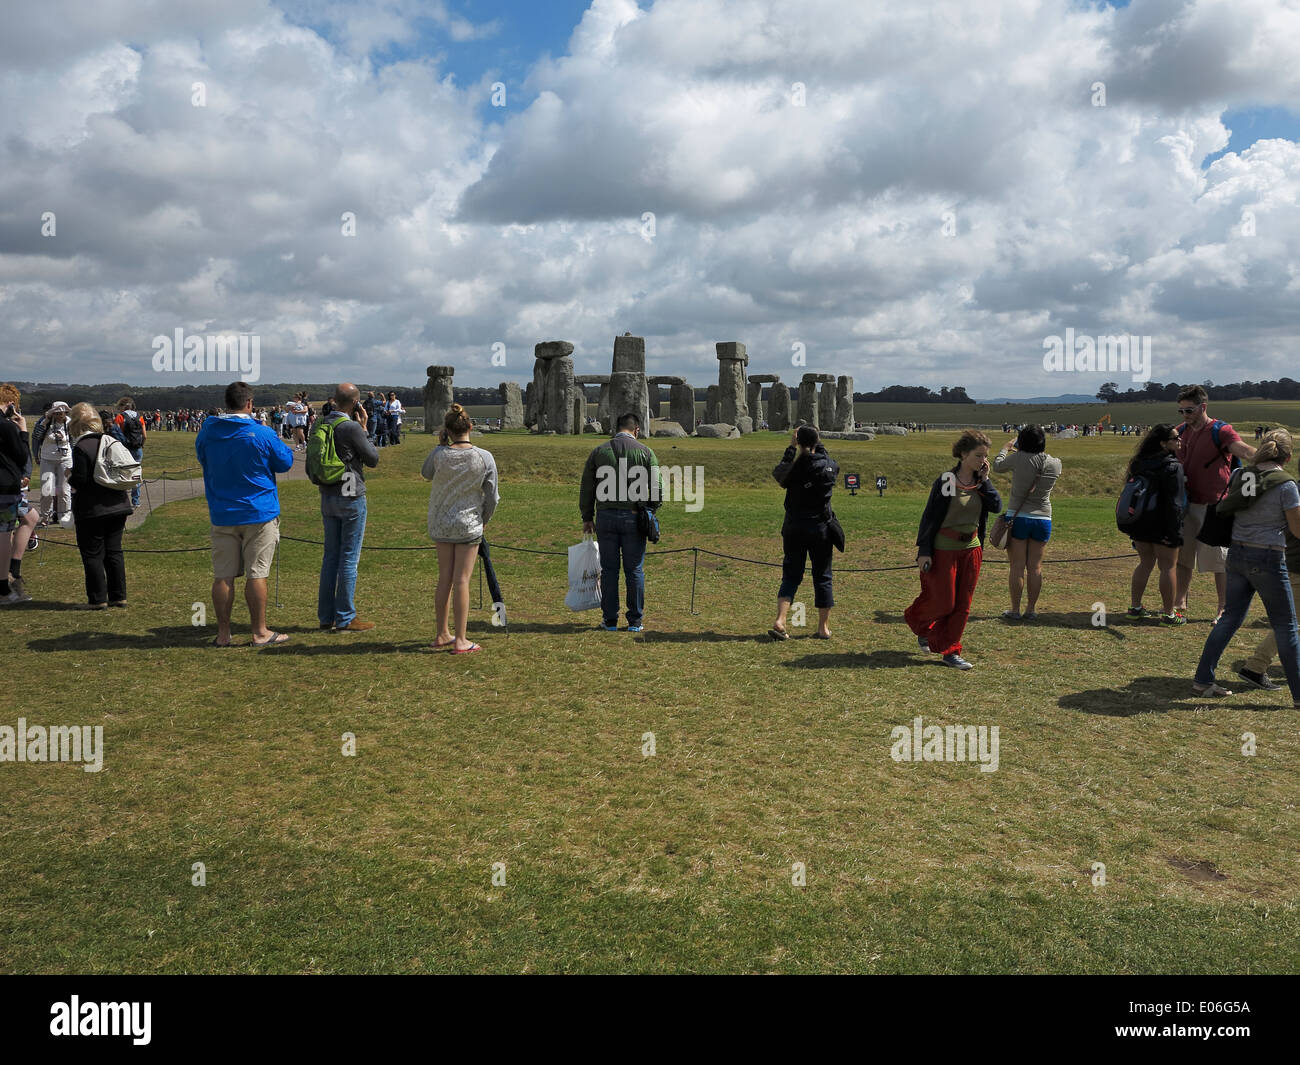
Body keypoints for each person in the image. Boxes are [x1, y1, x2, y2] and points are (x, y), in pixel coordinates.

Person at [1192, 430, 1300, 705]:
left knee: (1229, 618)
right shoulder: (1286, 485)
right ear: (1287, 457)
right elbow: (1297, 529)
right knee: (1286, 625)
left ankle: (1203, 679)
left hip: (1237, 554)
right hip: (1268, 558)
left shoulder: (1241, 476)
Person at [195, 381, 294, 647]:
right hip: (258, 512)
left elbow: (202, 458)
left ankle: (223, 633)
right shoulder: (261, 433)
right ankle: (259, 631)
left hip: (223, 512)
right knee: (257, 573)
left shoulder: (207, 432)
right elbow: (285, 462)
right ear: (249, 404)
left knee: (223, 575)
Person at [905, 429, 1002, 670]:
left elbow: (996, 505)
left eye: (985, 456)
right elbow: (932, 516)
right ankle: (919, 623)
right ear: (963, 454)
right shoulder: (948, 481)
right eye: (979, 456)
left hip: (972, 549)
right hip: (943, 549)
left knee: (963, 605)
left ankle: (951, 650)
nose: (984, 461)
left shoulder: (981, 483)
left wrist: (986, 480)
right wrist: (924, 550)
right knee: (943, 602)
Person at [422, 403, 499, 653]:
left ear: (447, 430)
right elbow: (492, 496)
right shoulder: (483, 456)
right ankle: (462, 639)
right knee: (462, 580)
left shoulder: (439, 455)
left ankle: (442, 633)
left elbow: (426, 473)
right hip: (469, 523)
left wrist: (439, 445)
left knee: (444, 578)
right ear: (470, 427)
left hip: (441, 521)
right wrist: (484, 519)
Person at [1174, 385, 1255, 620]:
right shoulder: (1180, 432)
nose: (1185, 416)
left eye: (1189, 411)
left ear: (1203, 407)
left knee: (1220, 562)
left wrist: (1265, 457)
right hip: (1186, 506)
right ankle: (1180, 603)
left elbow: (1242, 449)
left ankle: (1223, 607)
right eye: (1181, 411)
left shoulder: (1221, 430)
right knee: (1184, 557)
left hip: (1216, 507)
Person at [579, 412, 660, 633]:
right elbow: (657, 489)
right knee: (634, 570)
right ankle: (635, 621)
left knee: (609, 570)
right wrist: (649, 511)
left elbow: (587, 486)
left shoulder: (599, 452)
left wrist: (587, 517)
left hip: (605, 517)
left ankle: (610, 620)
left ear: (617, 428)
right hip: (634, 517)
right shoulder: (645, 452)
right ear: (637, 430)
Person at [314, 383, 380, 633]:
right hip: (351, 493)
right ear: (355, 404)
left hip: (327, 492)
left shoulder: (320, 424)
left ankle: (325, 616)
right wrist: (364, 428)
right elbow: (373, 458)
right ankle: (344, 617)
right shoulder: (351, 427)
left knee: (330, 556)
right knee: (349, 558)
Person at [769, 425, 838, 640]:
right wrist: (816, 440)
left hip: (795, 527)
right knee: (823, 576)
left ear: (798, 443)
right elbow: (829, 460)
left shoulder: (794, 469)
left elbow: (780, 471)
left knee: (791, 574)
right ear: (817, 442)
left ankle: (780, 620)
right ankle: (823, 628)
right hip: (821, 528)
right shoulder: (829, 467)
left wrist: (791, 448)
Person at [66, 403, 132, 609]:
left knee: (93, 554)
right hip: (118, 504)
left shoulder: (81, 447)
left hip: (93, 508)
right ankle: (118, 595)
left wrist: (69, 477)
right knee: (114, 551)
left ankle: (97, 598)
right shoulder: (110, 440)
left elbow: (80, 480)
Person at [993, 425, 1061, 620]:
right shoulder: (1055, 463)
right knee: (1035, 567)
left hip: (1018, 516)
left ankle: (1014, 609)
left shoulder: (1018, 458)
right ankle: (1031, 610)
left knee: (1017, 566)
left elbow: (998, 466)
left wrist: (1005, 449)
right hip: (1043, 518)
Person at [1123, 425, 1187, 624]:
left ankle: (1135, 607)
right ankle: (1169, 614)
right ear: (1162, 443)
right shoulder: (1172, 466)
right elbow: (1175, 503)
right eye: (1175, 438)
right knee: (1168, 567)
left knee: (1145, 563)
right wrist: (1175, 531)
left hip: (1140, 522)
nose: (1180, 440)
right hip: (1163, 523)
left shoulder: (1139, 463)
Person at [0, 384, 33, 606]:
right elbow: (22, 456)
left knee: (31, 517)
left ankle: (15, 567)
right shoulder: (7, 426)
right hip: (5, 489)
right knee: (3, 535)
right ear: (12, 405)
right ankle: (3, 586)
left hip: (10, 490)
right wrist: (22, 430)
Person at [33, 400, 74, 527]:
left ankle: (64, 517)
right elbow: (36, 437)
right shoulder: (44, 422)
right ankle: (45, 517)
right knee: (47, 490)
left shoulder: (70, 423)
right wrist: (36, 455)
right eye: (56, 413)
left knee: (64, 490)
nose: (59, 416)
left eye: (61, 413)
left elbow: (75, 439)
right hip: (47, 459)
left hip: (65, 459)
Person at [114, 396, 147, 509]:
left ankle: (122, 500)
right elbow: (145, 435)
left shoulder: (120, 417)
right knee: (136, 475)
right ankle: (136, 501)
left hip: (124, 448)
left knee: (122, 474)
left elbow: (116, 434)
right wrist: (141, 444)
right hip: (137, 448)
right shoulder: (140, 417)